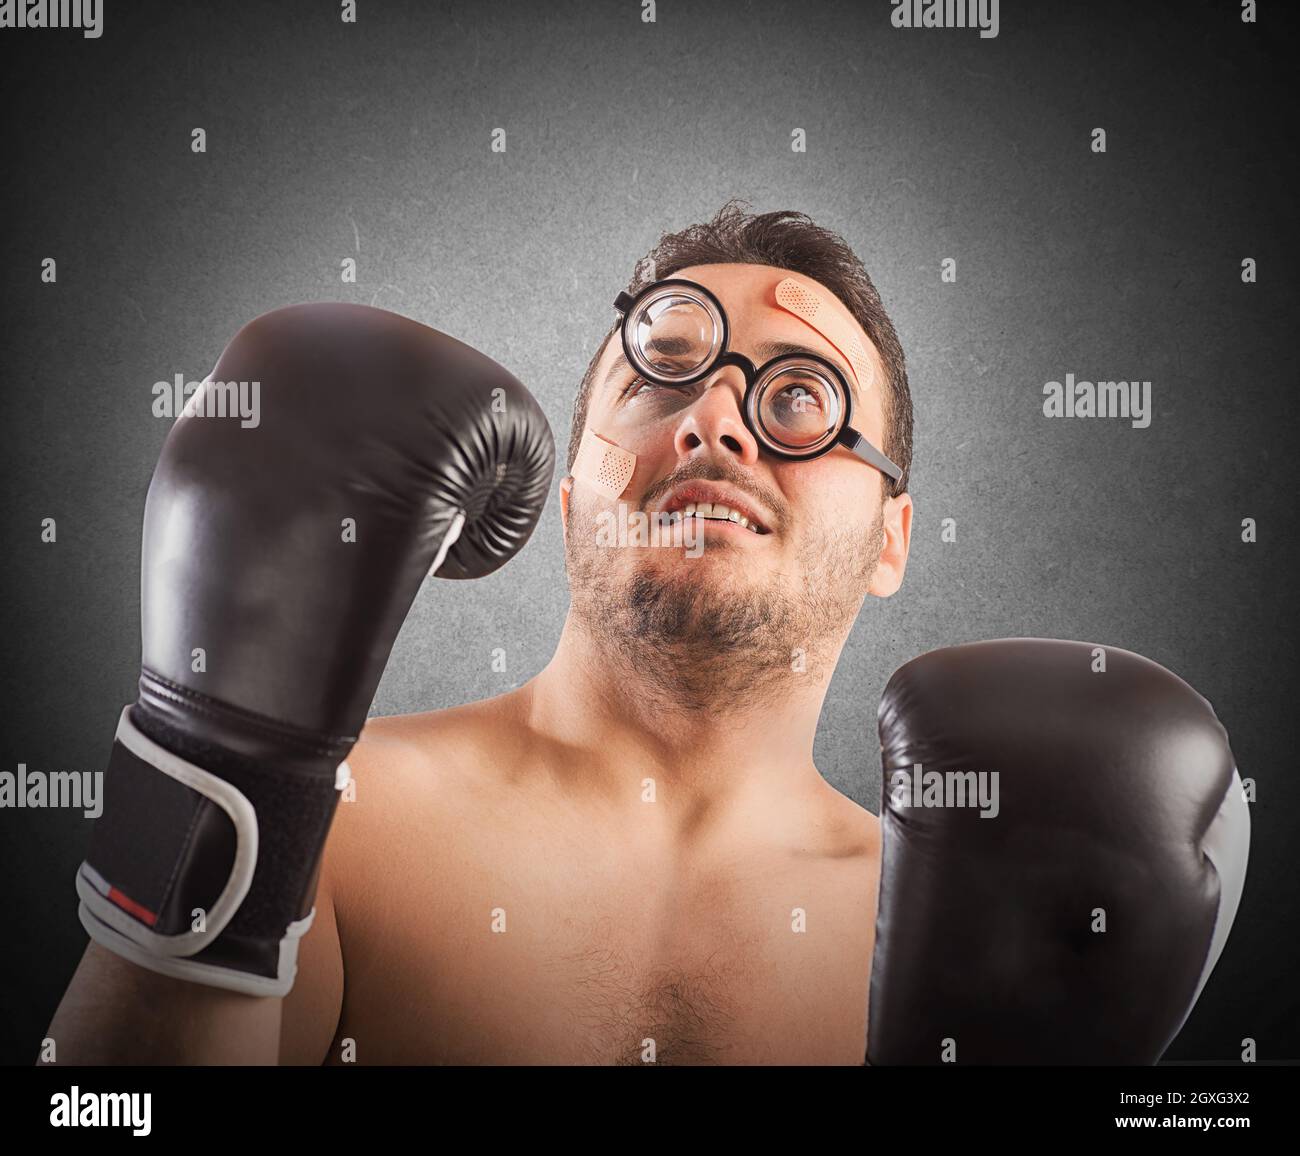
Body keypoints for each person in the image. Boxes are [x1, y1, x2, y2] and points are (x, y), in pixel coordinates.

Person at [44, 203, 1244, 1066]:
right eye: (661, 370)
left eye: (799, 399)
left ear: (893, 537)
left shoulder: (967, 923)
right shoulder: (338, 825)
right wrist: (217, 759)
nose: (716, 418)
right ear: (566, 494)